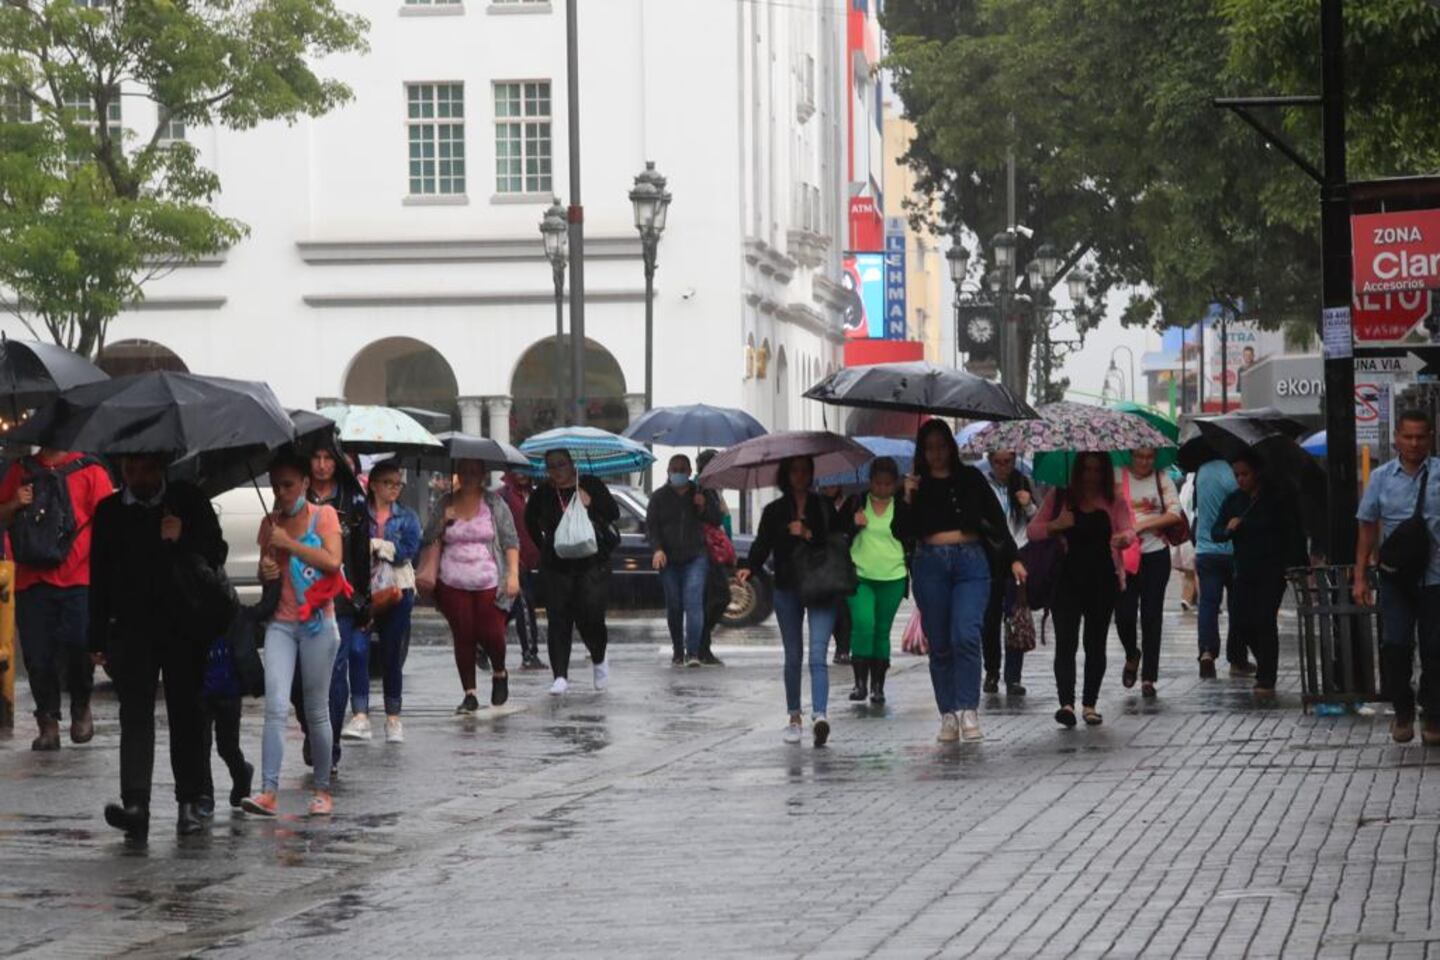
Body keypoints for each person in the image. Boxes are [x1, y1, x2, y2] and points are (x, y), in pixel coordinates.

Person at [89, 454, 226, 839]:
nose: (137, 478)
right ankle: (136, 805)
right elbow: (99, 574)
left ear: (161, 467)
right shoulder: (110, 511)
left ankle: (189, 803)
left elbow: (217, 552)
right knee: (135, 714)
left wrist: (182, 537)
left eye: (146, 469)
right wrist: (96, 637)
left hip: (183, 625)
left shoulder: (188, 500)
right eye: (129, 470)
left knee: (186, 712)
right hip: (132, 630)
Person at [895, 421, 1025, 744]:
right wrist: (907, 497)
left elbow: (996, 522)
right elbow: (900, 531)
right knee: (940, 643)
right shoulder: (915, 485)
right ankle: (948, 714)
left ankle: (968, 708)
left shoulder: (971, 478)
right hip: (930, 565)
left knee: (966, 634)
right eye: (930, 448)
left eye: (942, 446)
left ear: (951, 448)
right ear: (922, 452)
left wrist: (1013, 558)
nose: (936, 454)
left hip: (971, 563)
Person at [242, 450, 346, 819]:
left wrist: (291, 545)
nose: (282, 492)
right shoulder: (270, 524)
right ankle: (269, 790)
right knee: (274, 706)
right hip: (281, 624)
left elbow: (333, 562)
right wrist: (267, 568)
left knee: (316, 709)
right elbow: (265, 571)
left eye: (288, 484)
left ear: (305, 483)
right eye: (276, 486)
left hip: (318, 623)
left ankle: (321, 789)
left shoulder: (324, 516)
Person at [0, 448, 113, 751]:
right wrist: (15, 502)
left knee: (79, 646)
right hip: (31, 579)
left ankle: (80, 704)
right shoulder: (20, 470)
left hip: (78, 577)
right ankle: (47, 721)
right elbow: (2, 514)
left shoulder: (90, 470)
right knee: (38, 655)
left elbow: (107, 521)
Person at [738, 455, 842, 746]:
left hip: (821, 586)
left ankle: (820, 714)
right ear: (786, 474)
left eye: (805, 470)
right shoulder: (774, 511)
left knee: (818, 654)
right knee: (793, 655)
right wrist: (750, 566)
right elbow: (762, 543)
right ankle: (794, 716)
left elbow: (835, 540)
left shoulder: (822, 506)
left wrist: (807, 532)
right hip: (787, 587)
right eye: (794, 470)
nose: (800, 476)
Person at [1027, 451, 1136, 728]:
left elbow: (1129, 530)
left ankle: (1090, 704)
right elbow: (1032, 531)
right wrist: (1056, 525)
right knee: (1066, 642)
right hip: (1067, 580)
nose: (1091, 476)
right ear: (1077, 471)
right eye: (1086, 469)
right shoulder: (1060, 497)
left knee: (1095, 643)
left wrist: (1124, 538)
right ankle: (1066, 703)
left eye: (1097, 470)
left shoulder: (1114, 500)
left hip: (1103, 580)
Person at [1355, 410, 1440, 743]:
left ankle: (1432, 715)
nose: (1415, 443)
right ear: (1397, 440)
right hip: (1395, 580)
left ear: (1430, 438)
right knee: (1395, 646)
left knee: (1435, 650)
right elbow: (1366, 527)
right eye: (1408, 437)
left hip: (1435, 579)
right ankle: (1402, 709)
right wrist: (1360, 576)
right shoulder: (1381, 478)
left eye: (1421, 437)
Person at [294, 441, 370, 773]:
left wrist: (363, 600)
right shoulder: (296, 496)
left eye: (328, 458)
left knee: (336, 674)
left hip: (340, 598)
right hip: (298, 598)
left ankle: (331, 744)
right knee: (299, 678)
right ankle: (313, 729)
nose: (322, 464)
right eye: (316, 456)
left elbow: (361, 553)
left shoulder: (352, 500)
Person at [426, 459, 520, 712]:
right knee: (463, 635)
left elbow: (511, 540)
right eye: (463, 471)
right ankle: (470, 694)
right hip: (452, 581)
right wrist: (443, 521)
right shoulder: (445, 502)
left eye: (473, 472)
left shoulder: (494, 503)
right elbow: (428, 538)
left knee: (492, 633)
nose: (468, 476)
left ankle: (499, 672)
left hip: (488, 579)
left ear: (482, 474)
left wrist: (513, 575)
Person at [524, 449, 619, 696]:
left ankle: (599, 658)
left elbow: (613, 513)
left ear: (572, 464)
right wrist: (545, 545)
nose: (557, 470)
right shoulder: (543, 493)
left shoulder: (590, 484)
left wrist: (591, 503)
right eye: (552, 466)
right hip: (556, 566)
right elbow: (529, 521)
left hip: (591, 563)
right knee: (558, 619)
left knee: (591, 616)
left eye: (562, 464)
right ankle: (560, 676)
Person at [1214, 451, 1306, 698]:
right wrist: (1228, 529)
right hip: (1243, 570)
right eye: (1236, 475)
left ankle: (1266, 676)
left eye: (1245, 474)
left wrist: (1297, 566)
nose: (1240, 480)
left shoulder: (1276, 499)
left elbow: (1292, 532)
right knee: (1242, 622)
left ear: (1257, 473)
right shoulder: (1234, 501)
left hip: (1272, 570)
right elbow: (1216, 531)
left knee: (1265, 620)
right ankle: (1263, 661)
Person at [351, 460, 420, 743]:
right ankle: (360, 715)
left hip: (397, 589)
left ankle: (393, 718)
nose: (393, 489)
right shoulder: (358, 514)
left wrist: (381, 546)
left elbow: (409, 551)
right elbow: (351, 548)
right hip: (362, 589)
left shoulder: (407, 516)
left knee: (392, 653)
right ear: (374, 484)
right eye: (388, 483)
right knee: (357, 649)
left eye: (397, 483)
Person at [837, 456, 910, 706]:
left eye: (888, 484)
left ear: (895, 483)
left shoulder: (901, 505)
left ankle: (878, 686)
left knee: (882, 630)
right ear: (870, 482)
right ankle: (860, 683)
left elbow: (912, 532)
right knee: (863, 624)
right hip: (860, 575)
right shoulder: (856, 502)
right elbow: (836, 530)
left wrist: (910, 498)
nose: (882, 489)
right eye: (877, 484)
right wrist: (852, 523)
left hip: (893, 576)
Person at [1114, 447, 1183, 698]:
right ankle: (1132, 654)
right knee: (1124, 614)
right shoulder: (1117, 477)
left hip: (1155, 554)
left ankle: (1149, 677)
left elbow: (1174, 513)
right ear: (1130, 455)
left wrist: (1142, 525)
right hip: (1124, 557)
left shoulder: (1161, 478)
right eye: (1140, 456)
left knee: (1152, 615)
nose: (1145, 461)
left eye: (1149, 457)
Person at [648, 454, 723, 667]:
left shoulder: (700, 492)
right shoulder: (659, 497)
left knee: (693, 603)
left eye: (682, 469)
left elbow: (716, 520)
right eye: (674, 469)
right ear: (668, 471)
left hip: (695, 557)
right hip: (669, 559)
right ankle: (678, 650)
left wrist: (703, 506)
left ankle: (693, 653)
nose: (678, 473)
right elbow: (652, 527)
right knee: (674, 605)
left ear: (690, 472)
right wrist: (657, 550)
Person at [982, 450, 1036, 697]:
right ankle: (991, 671)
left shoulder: (1023, 482)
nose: (1003, 467)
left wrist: (1028, 505)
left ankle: (1013, 677)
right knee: (990, 619)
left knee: (1016, 616)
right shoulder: (983, 484)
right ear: (991, 461)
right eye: (998, 462)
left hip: (1019, 556)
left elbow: (1037, 522)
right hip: (992, 557)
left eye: (1008, 462)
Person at [1194, 457, 1251, 678]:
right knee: (1237, 606)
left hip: (1205, 549)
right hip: (1231, 550)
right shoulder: (1236, 473)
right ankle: (1237, 659)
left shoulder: (1202, 470)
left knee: (1207, 604)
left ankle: (1207, 652)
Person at [500, 469, 548, 670]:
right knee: (525, 606)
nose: (521, 474)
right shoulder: (503, 496)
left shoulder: (534, 495)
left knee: (512, 609)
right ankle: (530, 654)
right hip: (513, 561)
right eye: (516, 470)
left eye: (525, 470)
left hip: (534, 562)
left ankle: (483, 643)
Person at [695, 449, 731, 666]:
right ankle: (701, 645)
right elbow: (714, 518)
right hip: (704, 552)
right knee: (717, 598)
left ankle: (702, 645)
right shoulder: (702, 489)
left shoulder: (713, 489)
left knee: (713, 599)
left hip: (714, 551)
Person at [820, 483, 855, 665]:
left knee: (846, 609)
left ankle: (844, 649)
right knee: (834, 608)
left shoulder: (852, 503)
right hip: (827, 563)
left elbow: (854, 531)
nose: (829, 487)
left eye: (833, 484)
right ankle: (839, 646)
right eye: (826, 484)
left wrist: (854, 526)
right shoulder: (818, 505)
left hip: (850, 562)